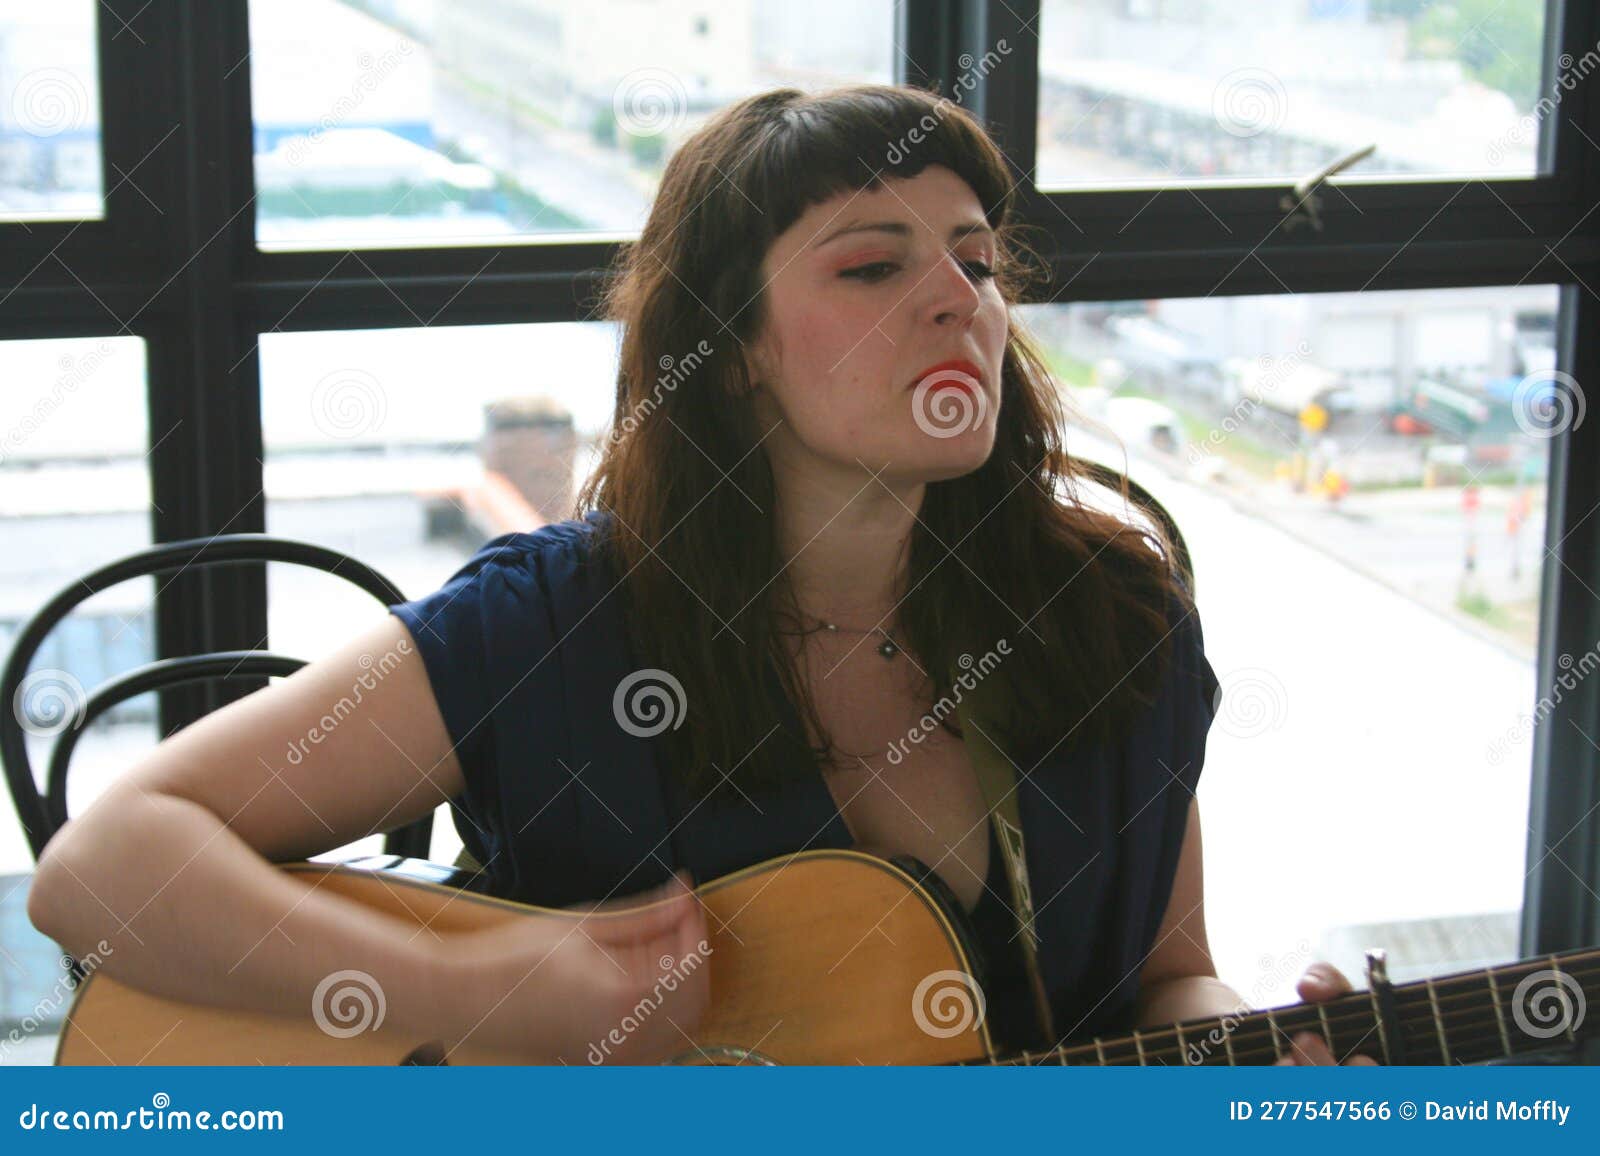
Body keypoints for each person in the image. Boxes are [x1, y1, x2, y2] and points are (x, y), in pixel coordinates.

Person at [27, 83, 1372, 1066]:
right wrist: (464, 990)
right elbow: (102, 867)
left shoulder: (1114, 624)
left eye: (975, 258)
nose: (960, 297)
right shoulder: (558, 624)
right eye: (872, 264)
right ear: (728, 349)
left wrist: (1268, 1059)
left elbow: (1171, 985)